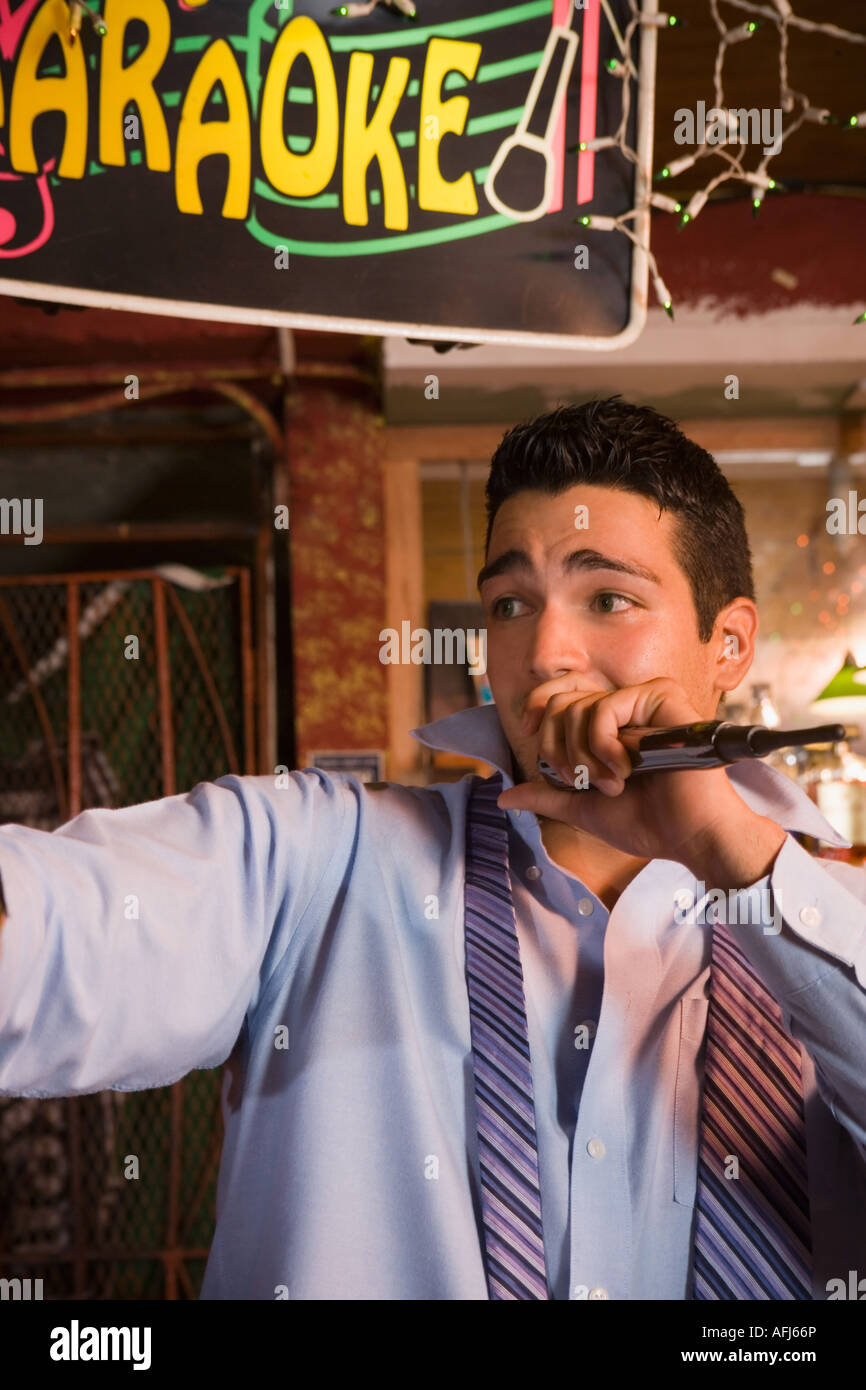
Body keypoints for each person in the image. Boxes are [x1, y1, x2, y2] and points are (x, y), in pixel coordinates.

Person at [0, 396, 864, 1301]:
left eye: (607, 597)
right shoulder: (315, 861)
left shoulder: (832, 928)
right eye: (511, 603)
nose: (544, 652)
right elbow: (57, 932)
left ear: (728, 643)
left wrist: (739, 861)